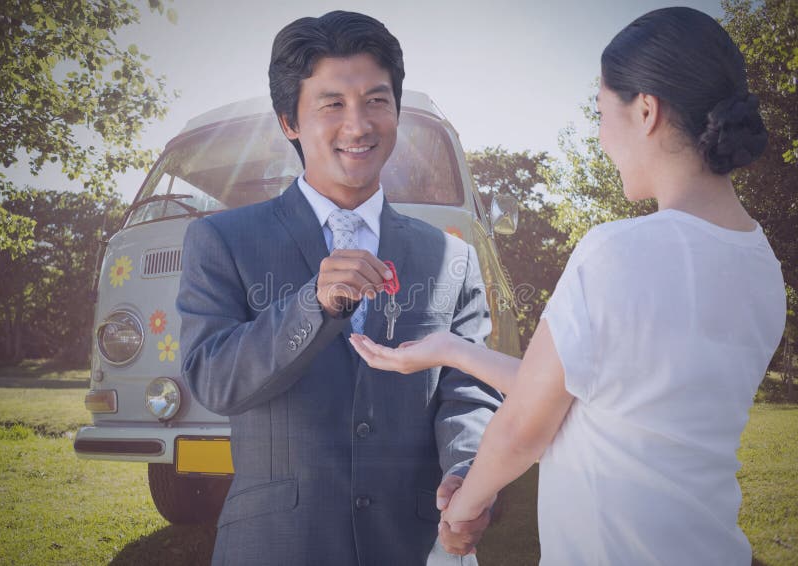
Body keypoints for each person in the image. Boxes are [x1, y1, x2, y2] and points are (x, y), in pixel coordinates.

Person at [351, 7, 787, 565]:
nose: (602, 137)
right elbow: (578, 394)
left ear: (647, 110)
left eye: (603, 114)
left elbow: (526, 426)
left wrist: (461, 515)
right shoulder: (762, 266)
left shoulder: (620, 250)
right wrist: (449, 349)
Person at [176, 10, 502, 566]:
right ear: (288, 122)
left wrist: (469, 470)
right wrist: (313, 303)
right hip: (277, 547)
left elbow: (468, 391)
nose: (359, 125)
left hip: (415, 544)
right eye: (333, 104)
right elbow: (213, 378)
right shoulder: (221, 239)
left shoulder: (452, 257)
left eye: (377, 101)